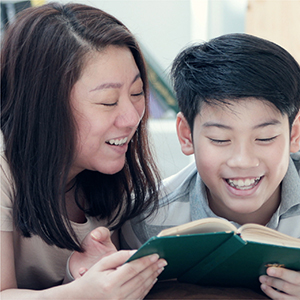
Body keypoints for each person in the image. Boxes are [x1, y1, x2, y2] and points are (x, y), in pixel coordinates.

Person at [0, 2, 167, 299]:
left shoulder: (106, 169)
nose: (132, 118)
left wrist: (82, 278)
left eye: (137, 92)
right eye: (108, 101)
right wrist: (81, 293)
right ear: (45, 106)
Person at [120, 33, 300, 299]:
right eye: (220, 139)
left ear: (294, 134)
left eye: (265, 138)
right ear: (186, 135)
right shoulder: (147, 219)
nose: (243, 161)